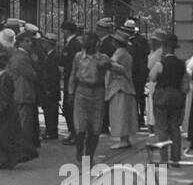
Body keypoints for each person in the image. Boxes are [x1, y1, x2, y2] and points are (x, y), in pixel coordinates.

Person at [68, 30, 111, 163]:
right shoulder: (78, 57)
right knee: (81, 126)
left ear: (96, 42)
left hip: (98, 92)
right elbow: (72, 75)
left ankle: (89, 154)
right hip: (82, 91)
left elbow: (118, 71)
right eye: (85, 41)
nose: (87, 43)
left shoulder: (103, 58)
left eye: (89, 41)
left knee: (96, 127)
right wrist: (70, 93)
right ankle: (80, 150)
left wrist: (107, 67)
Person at [0, 48, 31, 169]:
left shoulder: (4, 77)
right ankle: (5, 159)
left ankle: (11, 158)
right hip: (2, 108)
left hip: (5, 111)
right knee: (3, 135)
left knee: (4, 135)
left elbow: (5, 96)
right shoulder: (0, 76)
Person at [148, 31, 189, 163]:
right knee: (175, 128)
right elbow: (185, 84)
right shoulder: (182, 64)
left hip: (162, 96)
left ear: (165, 47)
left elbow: (152, 78)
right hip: (176, 97)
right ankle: (176, 158)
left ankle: (164, 158)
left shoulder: (161, 63)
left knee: (162, 128)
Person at [8, 32, 41, 159]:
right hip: (23, 92)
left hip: (22, 92)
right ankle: (22, 149)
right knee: (24, 123)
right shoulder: (21, 57)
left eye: (30, 41)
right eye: (27, 41)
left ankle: (23, 147)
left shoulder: (21, 55)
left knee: (25, 121)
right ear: (20, 42)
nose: (30, 43)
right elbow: (32, 74)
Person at [106, 30, 138, 150]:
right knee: (125, 112)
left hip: (119, 86)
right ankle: (126, 138)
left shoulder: (119, 53)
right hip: (126, 85)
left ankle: (123, 139)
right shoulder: (126, 53)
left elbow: (114, 67)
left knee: (120, 113)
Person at [58, 19, 81, 144]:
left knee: (70, 107)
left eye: (63, 30)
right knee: (67, 107)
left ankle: (75, 133)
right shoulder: (70, 43)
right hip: (68, 78)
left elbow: (73, 63)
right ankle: (72, 132)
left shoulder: (74, 44)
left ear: (67, 31)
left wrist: (64, 68)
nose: (62, 32)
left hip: (72, 79)